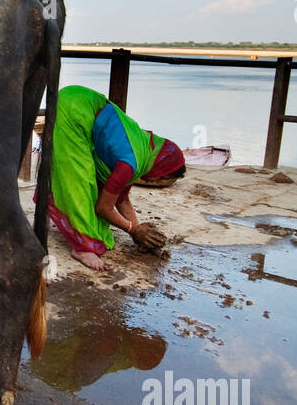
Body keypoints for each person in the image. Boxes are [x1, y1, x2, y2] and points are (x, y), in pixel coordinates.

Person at [37, 85, 186, 270]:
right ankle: (82, 248)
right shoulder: (130, 162)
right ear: (160, 170)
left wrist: (138, 231)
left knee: (74, 173)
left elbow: (121, 198)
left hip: (81, 101)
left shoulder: (144, 147)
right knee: (78, 179)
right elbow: (103, 207)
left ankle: (47, 215)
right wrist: (133, 230)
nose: (154, 182)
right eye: (159, 179)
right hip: (74, 110)